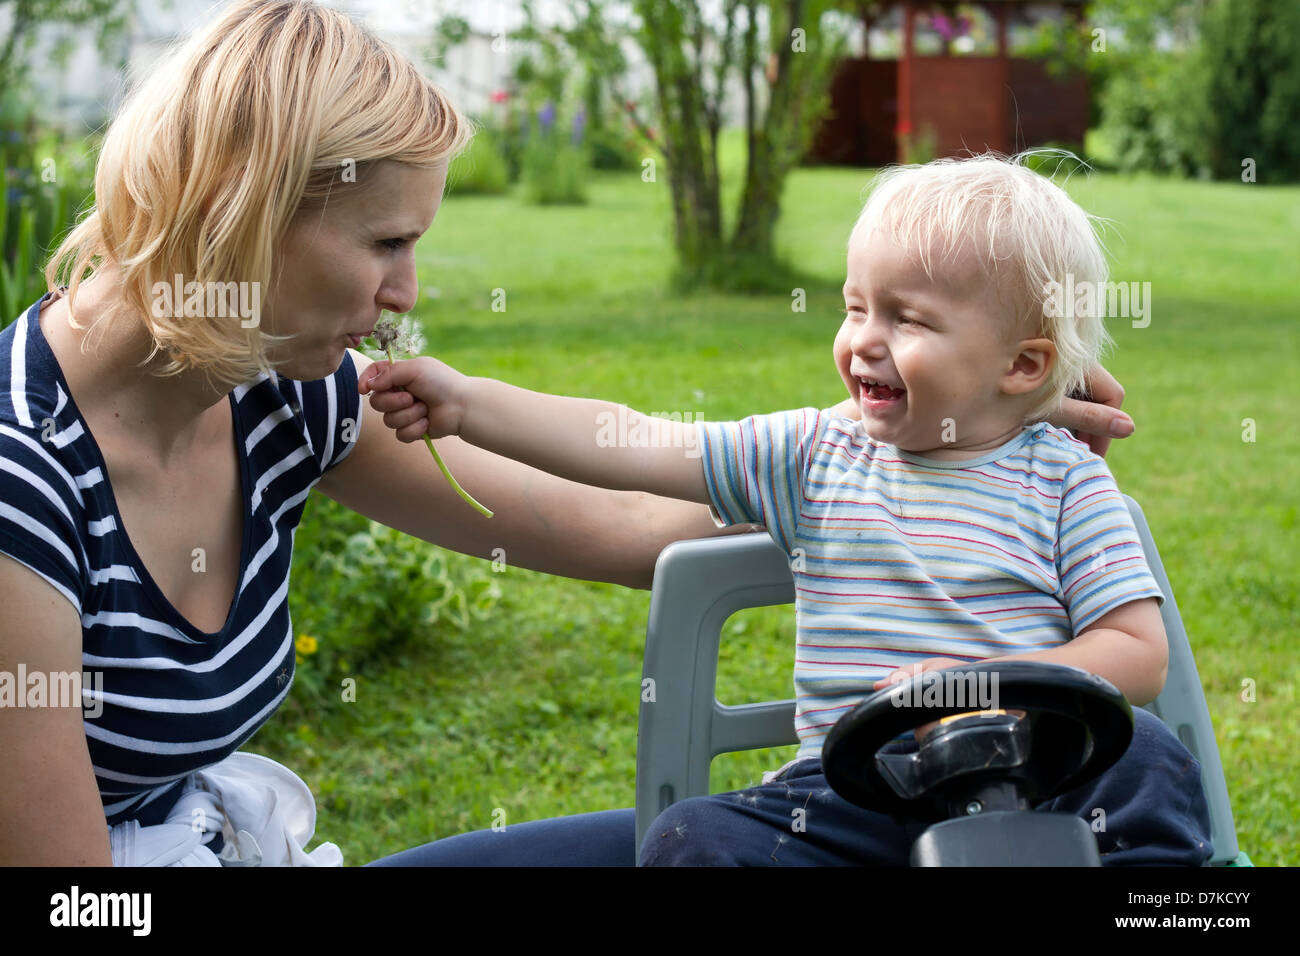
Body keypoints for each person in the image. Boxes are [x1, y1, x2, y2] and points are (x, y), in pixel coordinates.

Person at [0, 0, 1138, 867]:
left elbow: (633, 522)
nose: (404, 293)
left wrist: (953, 431)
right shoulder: (21, 475)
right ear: (242, 217)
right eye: (386, 243)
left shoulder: (280, 392)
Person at [358, 153, 1214, 866]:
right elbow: (633, 442)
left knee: (1148, 758)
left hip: (1048, 782)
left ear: (1024, 366)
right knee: (694, 836)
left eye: (907, 320)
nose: (862, 341)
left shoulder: (1066, 480)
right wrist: (470, 404)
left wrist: (975, 687)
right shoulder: (812, 457)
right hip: (851, 804)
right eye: (854, 307)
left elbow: (1136, 653)